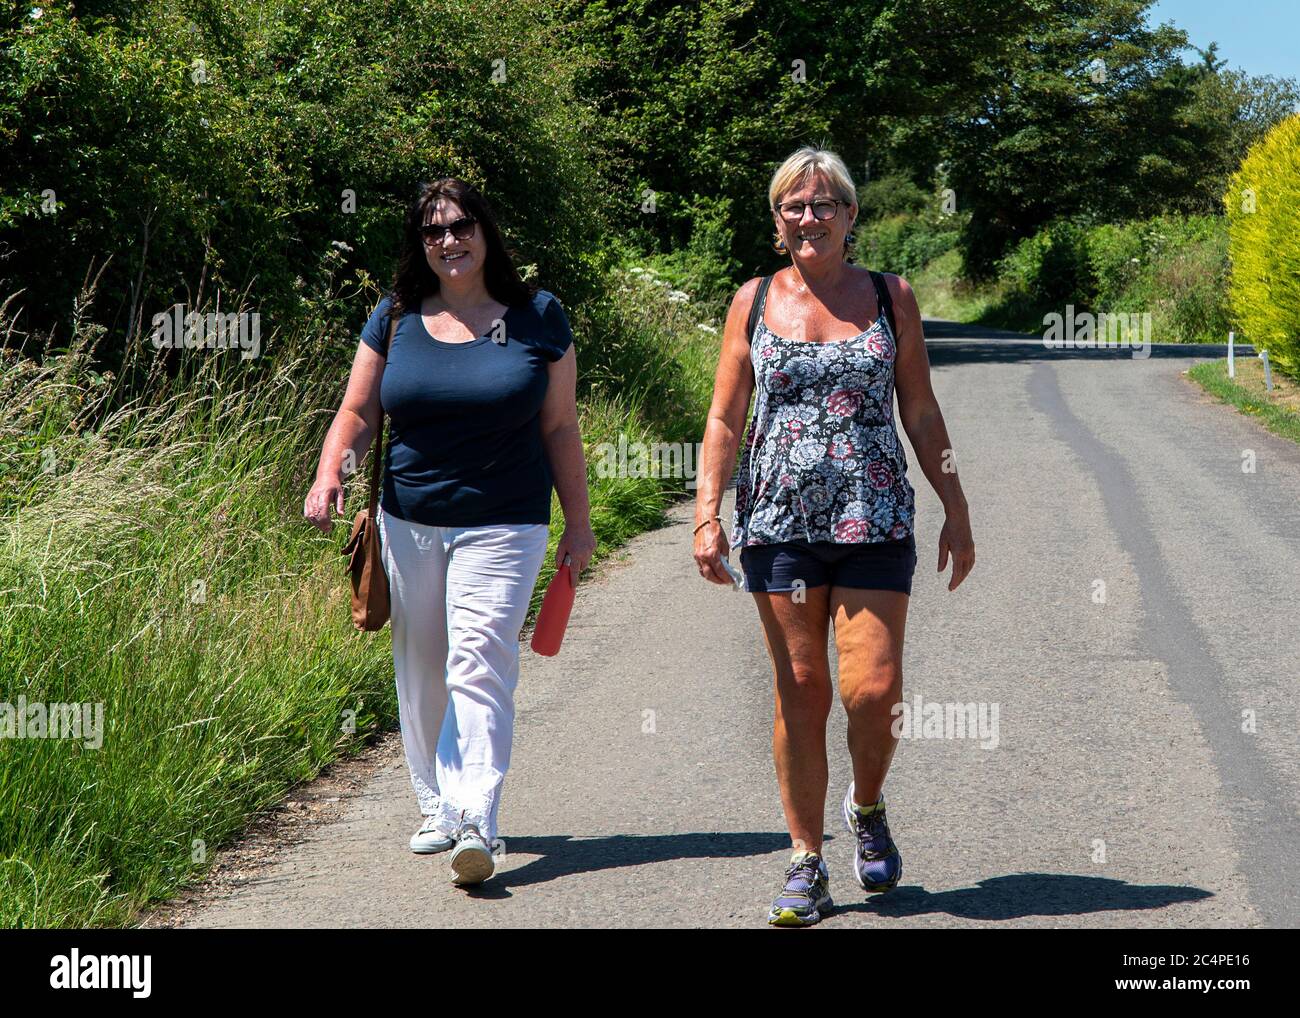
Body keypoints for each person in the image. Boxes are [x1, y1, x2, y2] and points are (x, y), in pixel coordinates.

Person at [693, 146, 975, 926]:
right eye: (793, 205)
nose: (808, 217)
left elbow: (919, 408)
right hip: (779, 525)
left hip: (875, 515)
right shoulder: (752, 300)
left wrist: (954, 502)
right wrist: (706, 513)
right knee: (803, 690)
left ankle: (870, 804)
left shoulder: (891, 297)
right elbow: (724, 416)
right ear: (777, 218)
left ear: (851, 215)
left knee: (873, 689)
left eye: (824, 204)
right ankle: (805, 860)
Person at [304, 178, 595, 887]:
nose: (449, 240)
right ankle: (437, 802)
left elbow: (558, 425)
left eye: (461, 224)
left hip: (505, 523)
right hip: (410, 520)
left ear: (485, 231)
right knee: (423, 663)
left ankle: (477, 819)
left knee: (479, 662)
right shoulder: (397, 317)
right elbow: (359, 410)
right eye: (433, 230)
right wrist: (331, 471)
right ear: (420, 243)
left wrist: (579, 525)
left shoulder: (538, 317)